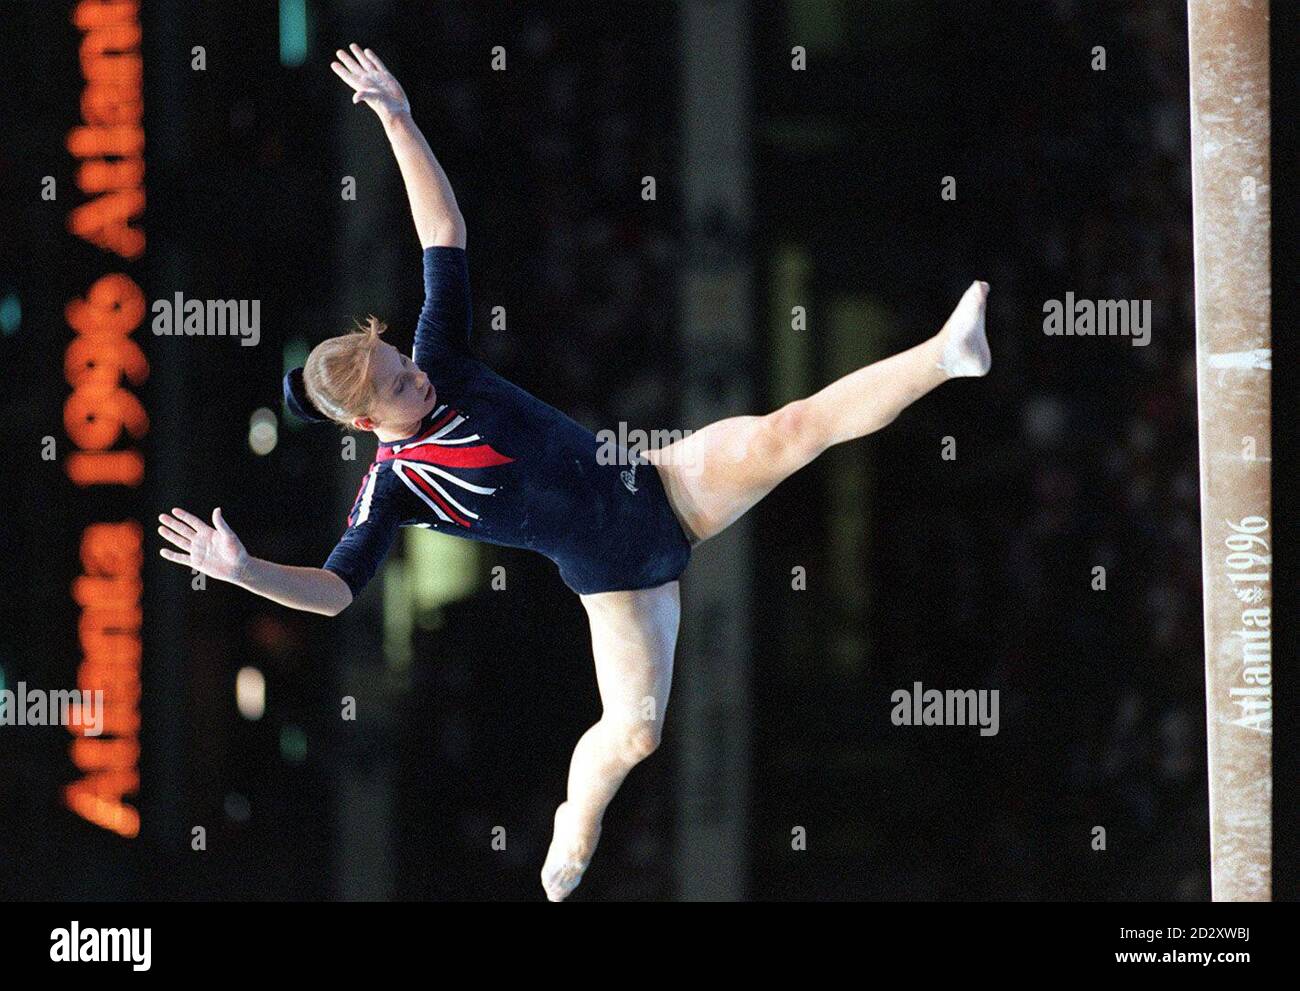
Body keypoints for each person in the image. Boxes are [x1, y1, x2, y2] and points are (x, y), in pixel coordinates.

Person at [158, 44, 991, 901]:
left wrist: (396, 118)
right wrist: (245, 570)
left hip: (658, 484)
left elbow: (441, 230)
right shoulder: (395, 485)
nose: (420, 373)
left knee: (795, 427)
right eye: (403, 385)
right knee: (633, 736)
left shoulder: (441, 352)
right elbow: (336, 592)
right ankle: (576, 817)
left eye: (403, 357)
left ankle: (945, 353)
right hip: (615, 584)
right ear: (371, 423)